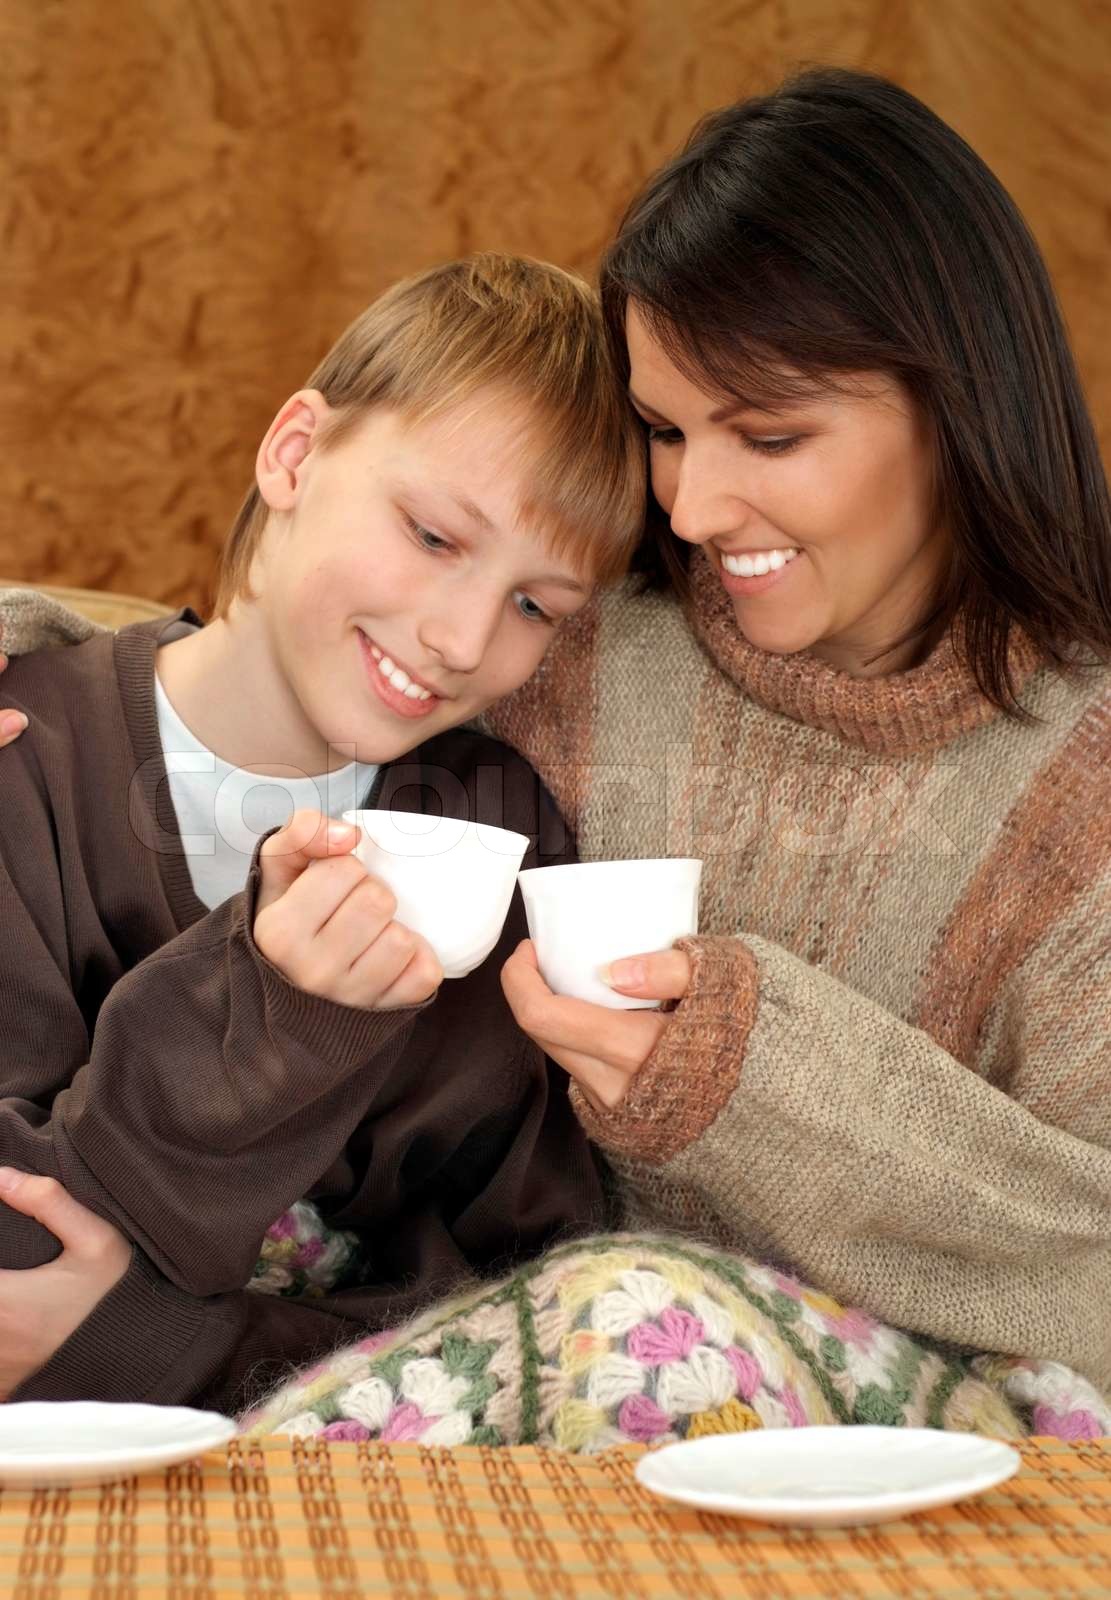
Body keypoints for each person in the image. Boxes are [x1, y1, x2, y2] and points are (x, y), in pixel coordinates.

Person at [3, 66, 1110, 1447]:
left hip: (882, 1408)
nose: (693, 507)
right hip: (477, 1375)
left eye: (767, 433)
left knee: (633, 1315)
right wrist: (23, 653)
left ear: (957, 406)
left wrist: (756, 1080)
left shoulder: (1082, 790)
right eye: (661, 431)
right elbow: (258, 665)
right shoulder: (580, 653)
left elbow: (1088, 1279)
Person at [0, 253, 646, 1411]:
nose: (458, 636)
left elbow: (526, 1294)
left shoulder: (496, 834)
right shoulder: (21, 760)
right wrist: (268, 1014)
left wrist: (151, 1344)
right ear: (295, 453)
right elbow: (15, 1265)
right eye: (436, 535)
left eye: (535, 605)